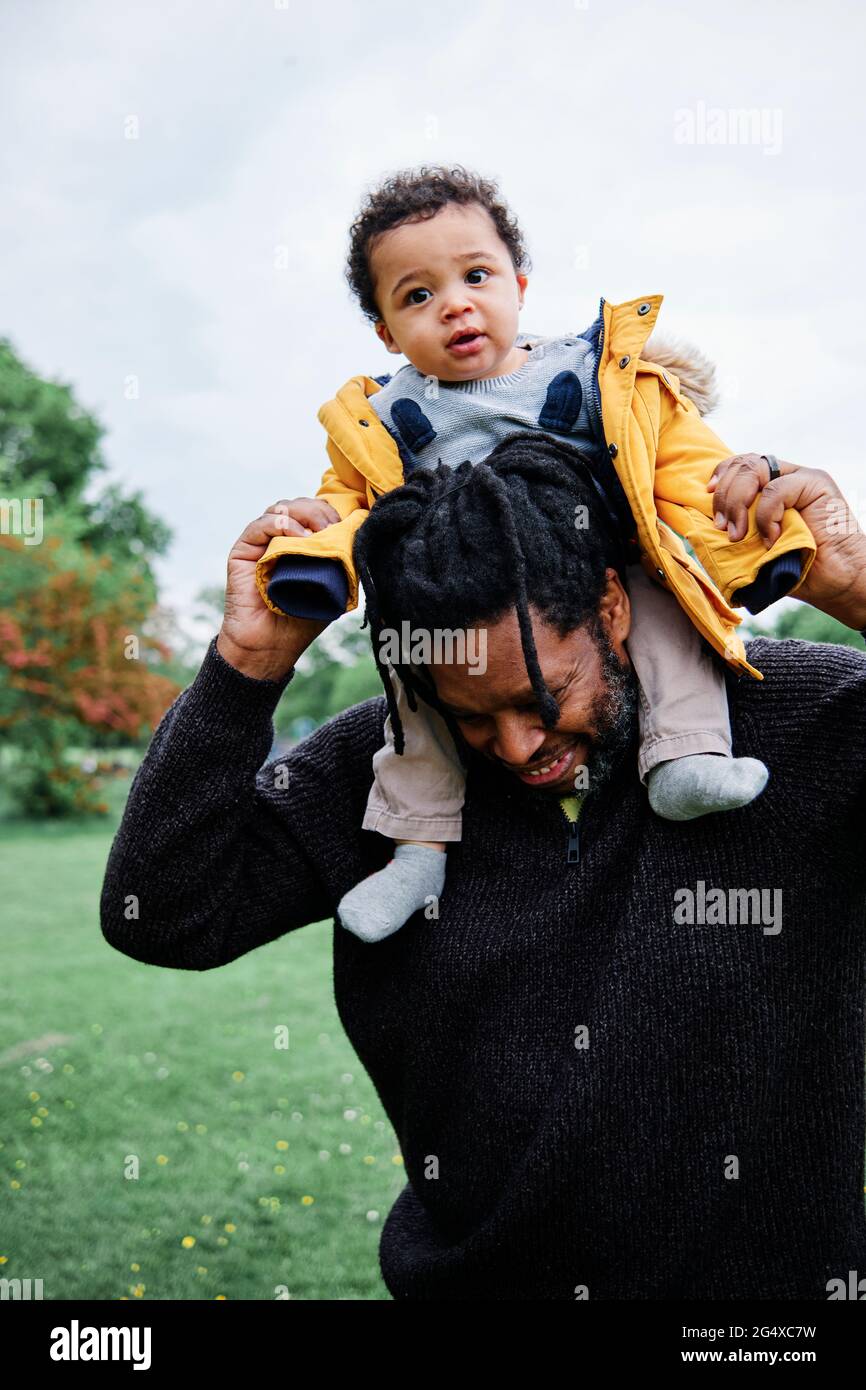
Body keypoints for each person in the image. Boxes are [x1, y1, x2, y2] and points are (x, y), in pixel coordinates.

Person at [100, 438, 866, 1301]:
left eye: (543, 700)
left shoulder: (805, 718)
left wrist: (859, 592)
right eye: (469, 714)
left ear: (612, 606)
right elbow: (158, 914)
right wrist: (248, 666)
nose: (516, 746)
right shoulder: (379, 768)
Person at [251, 165, 816, 942]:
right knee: (416, 693)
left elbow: (679, 462)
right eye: (416, 296)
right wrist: (314, 550)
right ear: (385, 332)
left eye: (475, 276)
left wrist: (751, 532)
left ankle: (684, 753)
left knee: (665, 622)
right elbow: (348, 503)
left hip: (601, 567)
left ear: (518, 284)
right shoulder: (385, 416)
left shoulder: (586, 377)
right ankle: (417, 847)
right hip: (450, 594)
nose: (454, 304)